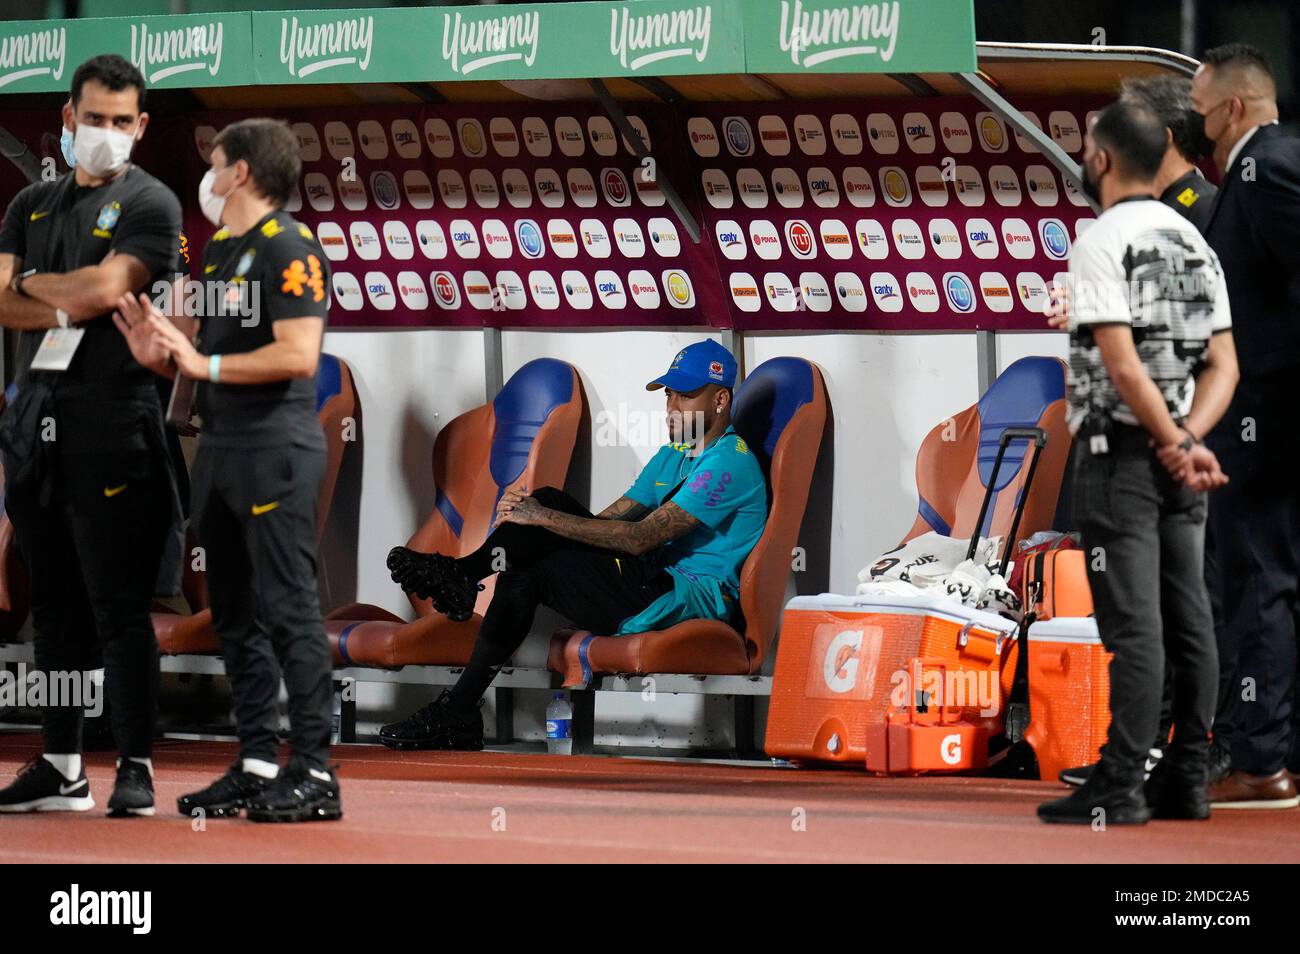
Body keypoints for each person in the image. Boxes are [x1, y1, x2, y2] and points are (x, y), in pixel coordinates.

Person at [114, 118, 341, 823]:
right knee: (234, 615)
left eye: (215, 166)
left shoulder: (290, 246)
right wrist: (162, 355)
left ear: (241, 172)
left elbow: (300, 354)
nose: (208, 180)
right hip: (221, 451)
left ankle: (315, 771)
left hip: (276, 450)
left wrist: (200, 362)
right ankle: (255, 761)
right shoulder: (220, 252)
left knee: (289, 612)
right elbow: (195, 358)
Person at [380, 339, 767, 750]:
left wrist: (540, 520)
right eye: (669, 394)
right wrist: (539, 518)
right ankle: (461, 591)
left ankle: (461, 613)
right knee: (547, 504)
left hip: (683, 597)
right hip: (647, 579)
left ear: (721, 399)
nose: (672, 407)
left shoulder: (731, 461)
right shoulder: (676, 452)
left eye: (686, 396)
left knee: (535, 554)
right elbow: (606, 522)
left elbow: (639, 538)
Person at [1037, 100, 1238, 825]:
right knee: (1190, 620)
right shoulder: (1194, 240)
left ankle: (1120, 782)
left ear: (1103, 160)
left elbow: (1122, 368)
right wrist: (1187, 438)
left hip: (1119, 457)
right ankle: (1186, 777)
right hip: (1180, 461)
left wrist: (1169, 440)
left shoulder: (1099, 239)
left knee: (1134, 627)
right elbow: (1225, 365)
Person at [0, 55, 183, 818]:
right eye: (93, 118)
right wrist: (58, 297)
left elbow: (111, 289)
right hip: (36, 433)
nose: (105, 133)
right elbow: (1, 307)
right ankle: (61, 763)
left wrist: (33, 288)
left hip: (117, 429)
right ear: (68, 119)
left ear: (139, 127)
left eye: (121, 122)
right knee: (55, 613)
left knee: (117, 609)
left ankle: (134, 762)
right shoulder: (30, 206)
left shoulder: (153, 203)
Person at [1191, 43, 1300, 808]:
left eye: (1199, 114)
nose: (1198, 130)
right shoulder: (1258, 174)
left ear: (1233, 109)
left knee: (1258, 584)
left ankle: (1262, 761)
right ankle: (1270, 750)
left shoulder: (1266, 168)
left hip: (1267, 415)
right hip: (1263, 411)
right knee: (1266, 584)